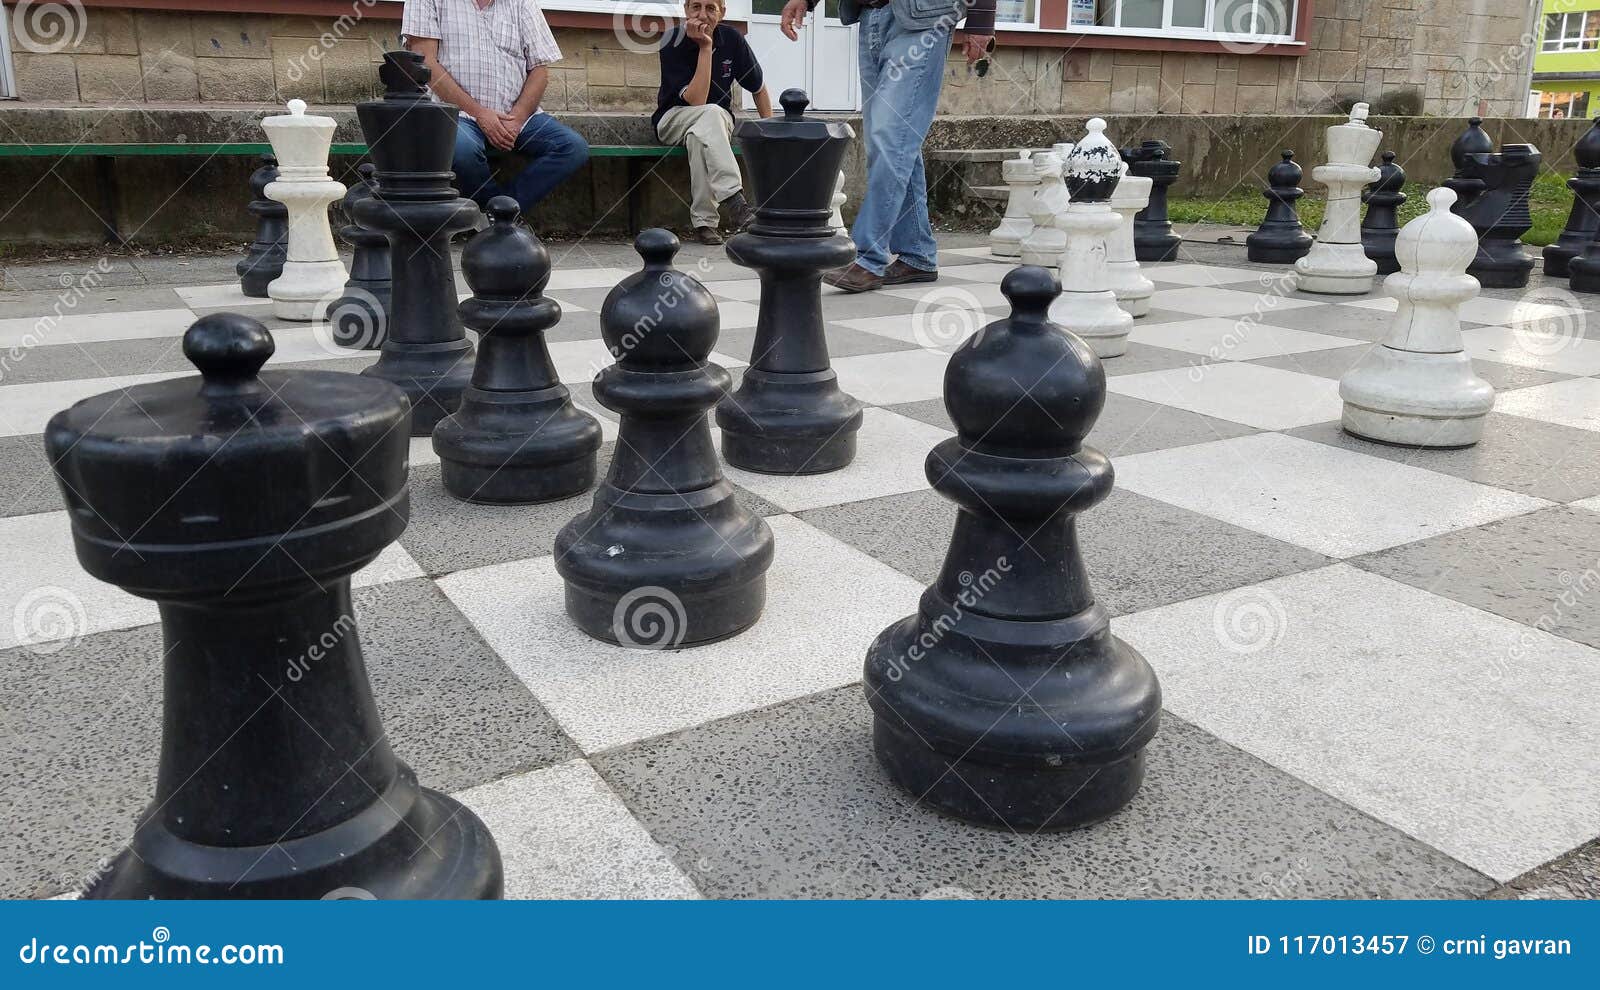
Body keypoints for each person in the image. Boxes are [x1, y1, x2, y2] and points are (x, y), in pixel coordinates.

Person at [781, 0, 994, 291]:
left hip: (924, 19)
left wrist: (982, 20)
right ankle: (917, 253)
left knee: (890, 137)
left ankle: (868, 258)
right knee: (895, 141)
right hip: (869, 15)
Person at [402, 0, 589, 216]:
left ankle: (500, 214)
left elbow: (539, 71)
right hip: (455, 113)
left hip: (515, 114)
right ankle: (499, 218)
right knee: (460, 151)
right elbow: (426, 65)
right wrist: (480, 113)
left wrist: (517, 118)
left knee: (572, 148)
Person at [654, 0, 773, 245]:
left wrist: (770, 134)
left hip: (715, 123)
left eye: (711, 8)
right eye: (696, 6)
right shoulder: (671, 39)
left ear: (722, 13)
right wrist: (705, 49)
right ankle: (734, 200)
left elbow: (759, 89)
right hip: (673, 118)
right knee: (709, 113)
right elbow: (696, 101)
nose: (702, 14)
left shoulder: (732, 39)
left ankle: (704, 223)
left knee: (700, 137)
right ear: (686, 10)